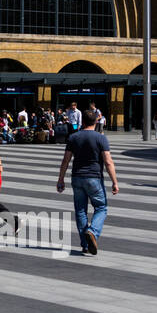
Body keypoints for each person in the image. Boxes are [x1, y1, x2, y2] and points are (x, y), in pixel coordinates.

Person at [56, 108, 119, 256]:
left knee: (80, 210)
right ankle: (92, 231)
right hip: (94, 178)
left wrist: (61, 179)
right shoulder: (101, 138)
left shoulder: (73, 137)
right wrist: (114, 181)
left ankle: (85, 245)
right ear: (96, 121)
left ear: (82, 121)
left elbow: (66, 160)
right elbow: (108, 161)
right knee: (101, 207)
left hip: (77, 178)